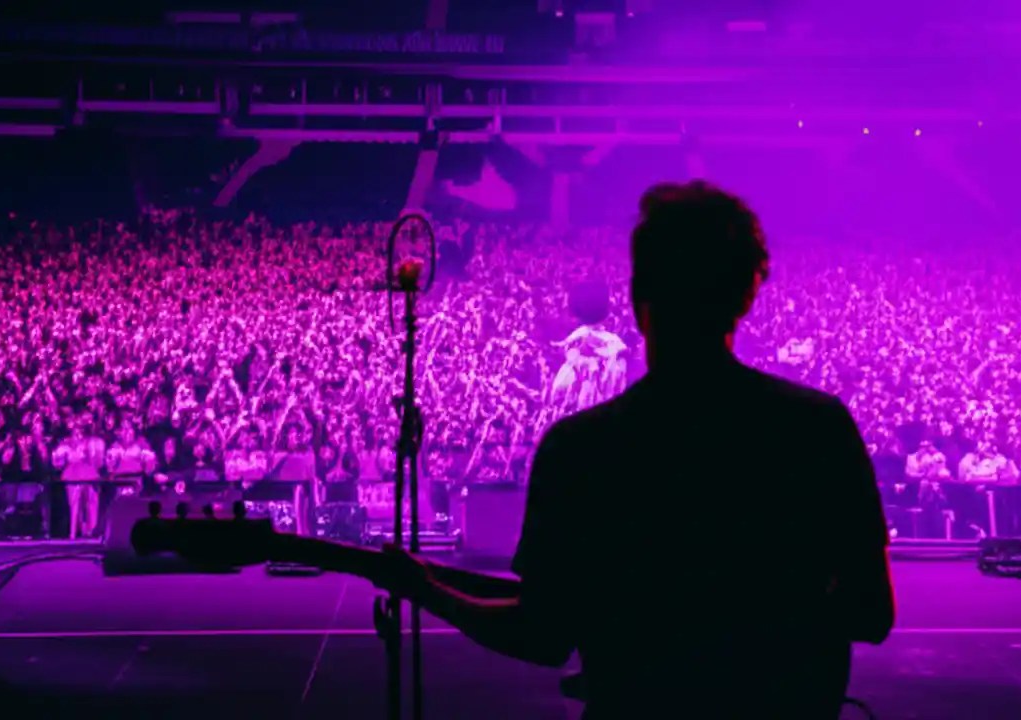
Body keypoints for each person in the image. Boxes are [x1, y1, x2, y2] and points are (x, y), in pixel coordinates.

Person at [379, 182, 895, 719]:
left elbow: (543, 632)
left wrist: (425, 590)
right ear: (747, 292)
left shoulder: (580, 449)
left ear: (637, 298)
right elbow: (872, 613)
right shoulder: (817, 427)